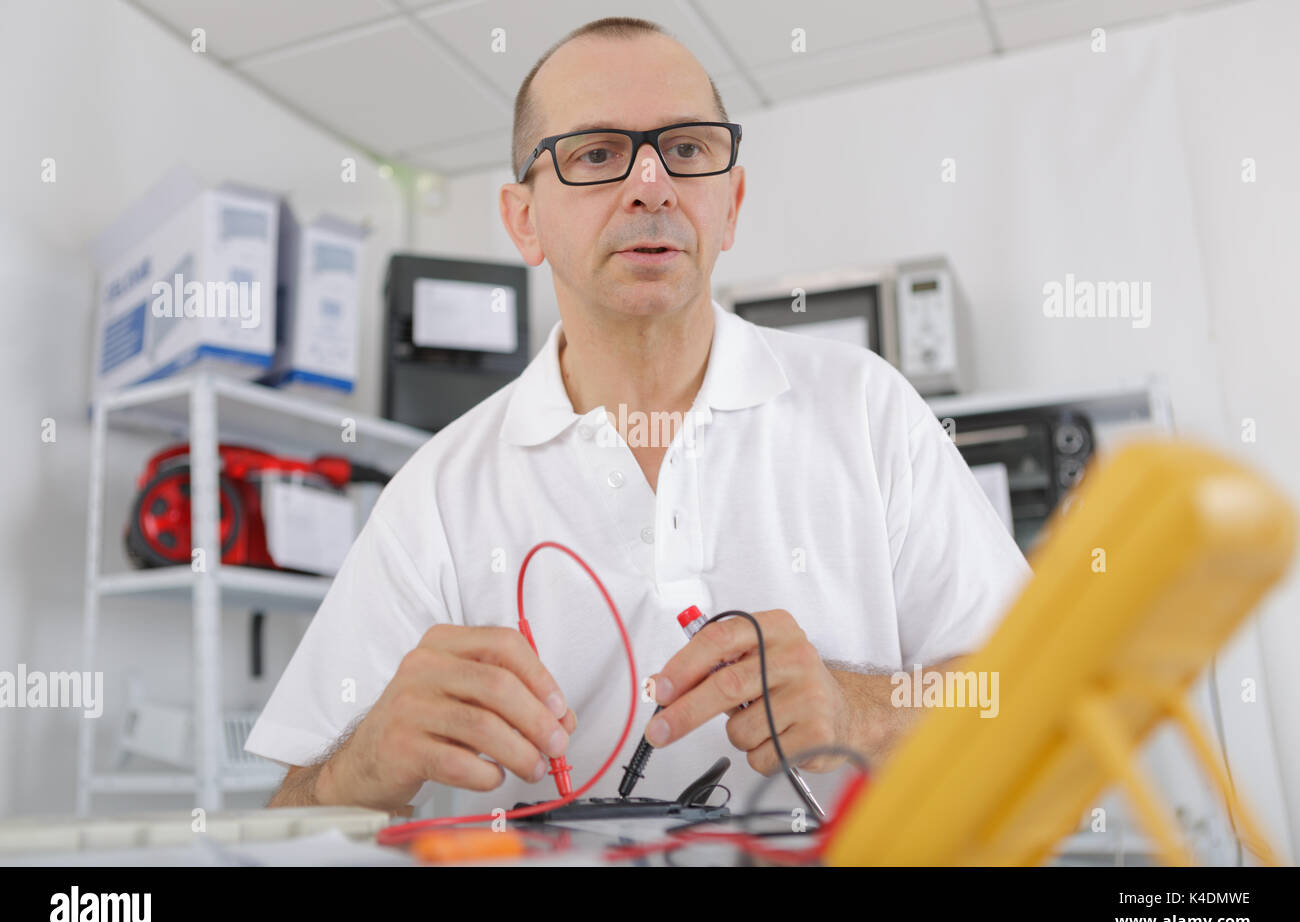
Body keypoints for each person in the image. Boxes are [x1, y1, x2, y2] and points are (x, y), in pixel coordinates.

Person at [247, 17, 1031, 817]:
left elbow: (1039, 694)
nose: (651, 185)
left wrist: (859, 709)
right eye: (595, 154)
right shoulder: (436, 496)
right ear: (524, 220)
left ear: (731, 203)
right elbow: (287, 817)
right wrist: (369, 758)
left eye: (687, 150)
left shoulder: (870, 413)